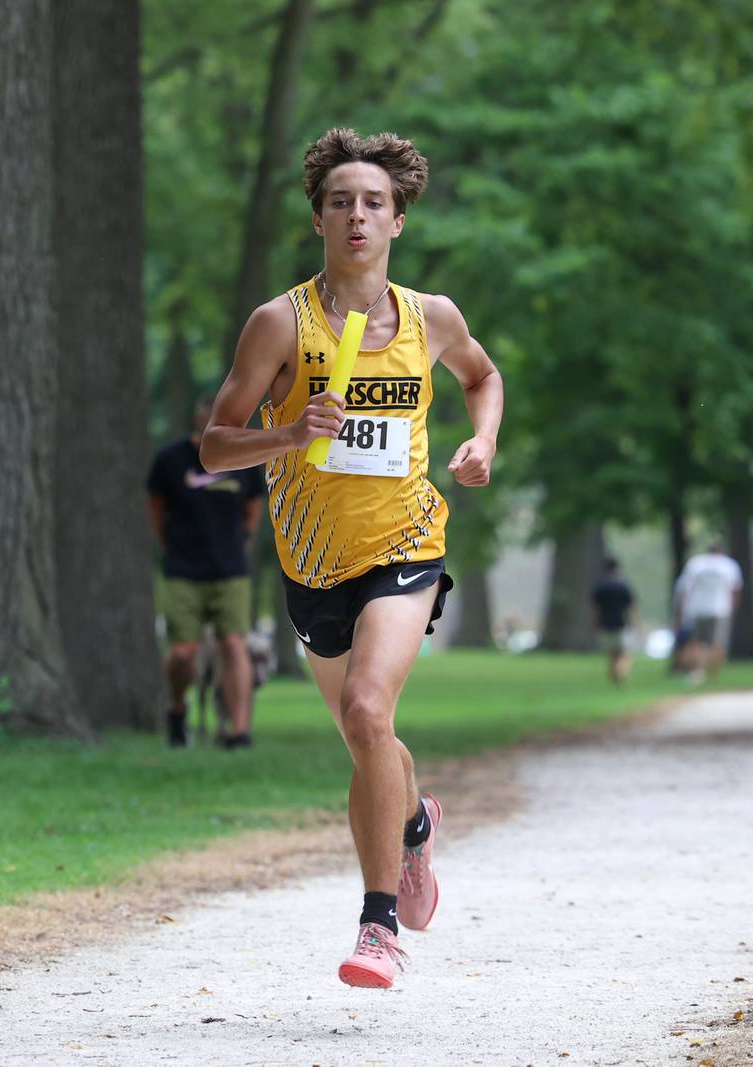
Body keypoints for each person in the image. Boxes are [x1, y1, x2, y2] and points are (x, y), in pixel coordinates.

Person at [198, 129, 503, 989]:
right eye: (341, 201)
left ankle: (376, 930)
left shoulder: (429, 317)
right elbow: (215, 447)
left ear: (397, 219)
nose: (357, 215)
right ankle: (413, 824)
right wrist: (291, 432)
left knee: (371, 711)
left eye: (373, 202)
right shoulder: (280, 323)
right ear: (319, 218)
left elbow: (484, 376)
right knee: (366, 739)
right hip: (312, 561)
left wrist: (482, 442)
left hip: (406, 543)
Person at [147, 395, 266, 749]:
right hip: (183, 568)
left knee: (233, 643)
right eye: (206, 413)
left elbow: (252, 511)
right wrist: (170, 543)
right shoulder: (170, 460)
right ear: (198, 418)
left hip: (230, 568)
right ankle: (177, 707)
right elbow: (155, 507)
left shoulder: (245, 460)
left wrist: (240, 544)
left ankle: (239, 731)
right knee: (183, 651)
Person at [674, 542, 744, 682]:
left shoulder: (695, 563)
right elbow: (735, 590)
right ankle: (712, 674)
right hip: (720, 609)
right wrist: (733, 609)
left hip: (695, 609)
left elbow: (683, 590)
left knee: (696, 642)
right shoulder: (729, 565)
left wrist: (681, 612)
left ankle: (698, 672)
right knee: (717, 643)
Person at [590, 558, 636, 685]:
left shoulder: (599, 588)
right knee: (625, 654)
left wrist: (595, 625)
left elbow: (595, 609)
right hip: (621, 624)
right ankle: (620, 671)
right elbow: (631, 607)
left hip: (605, 625)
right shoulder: (622, 586)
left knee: (612, 654)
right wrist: (634, 624)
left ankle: (616, 679)